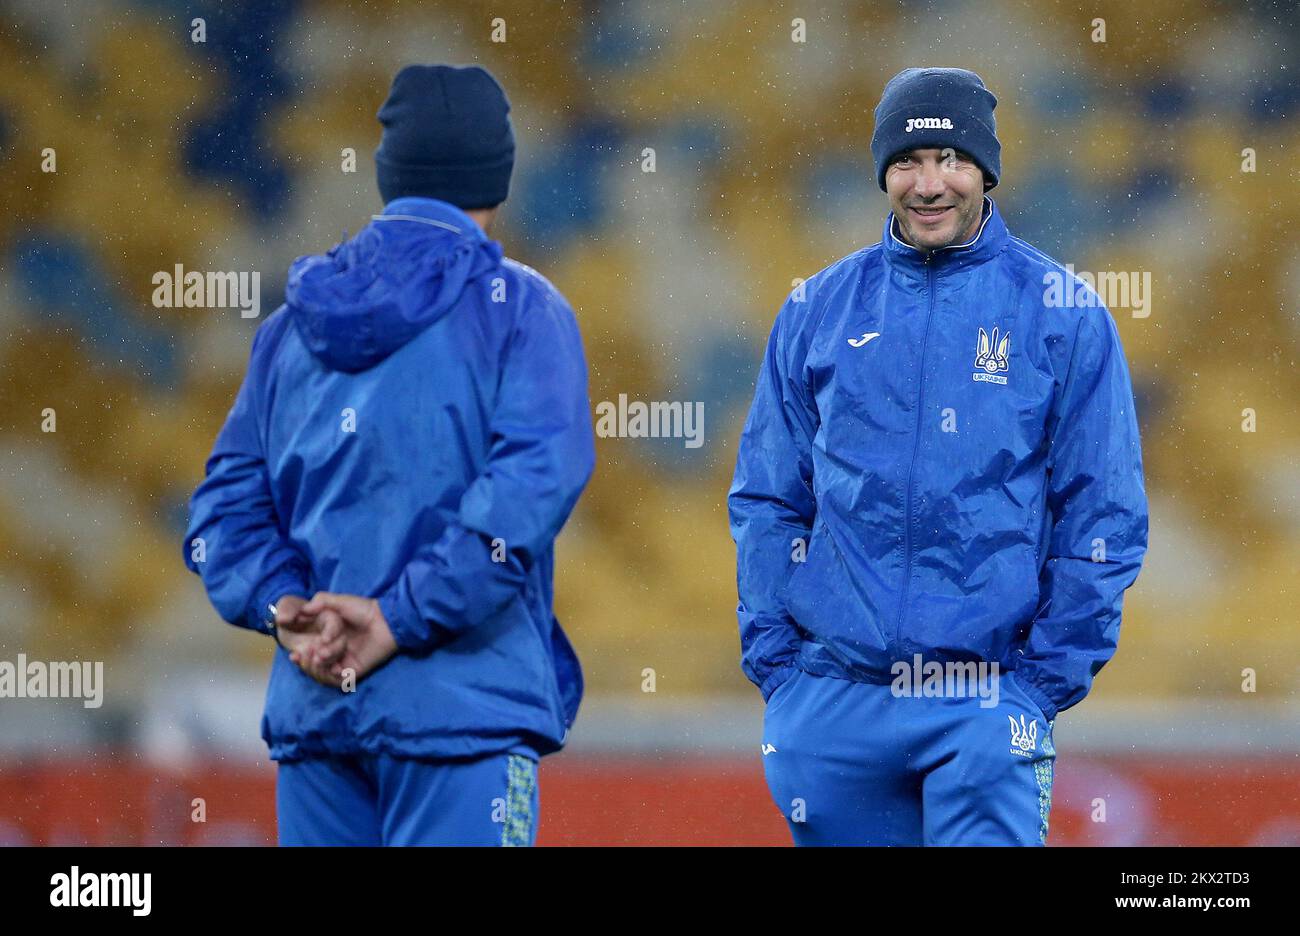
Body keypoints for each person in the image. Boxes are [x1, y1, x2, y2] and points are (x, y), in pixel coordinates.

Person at [728, 67, 1148, 846]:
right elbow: (767, 497)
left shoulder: (1063, 314)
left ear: (985, 170)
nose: (929, 184)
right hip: (832, 703)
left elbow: (1104, 513)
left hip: (986, 700)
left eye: (951, 159)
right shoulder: (816, 309)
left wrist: (1038, 685)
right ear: (883, 170)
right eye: (908, 162)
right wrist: (782, 671)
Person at [182, 64, 594, 846]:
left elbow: (222, 510)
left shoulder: (289, 326)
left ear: (388, 172)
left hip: (318, 714)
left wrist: (286, 608)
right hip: (460, 713)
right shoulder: (524, 311)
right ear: (498, 175)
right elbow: (532, 487)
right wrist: (398, 619)